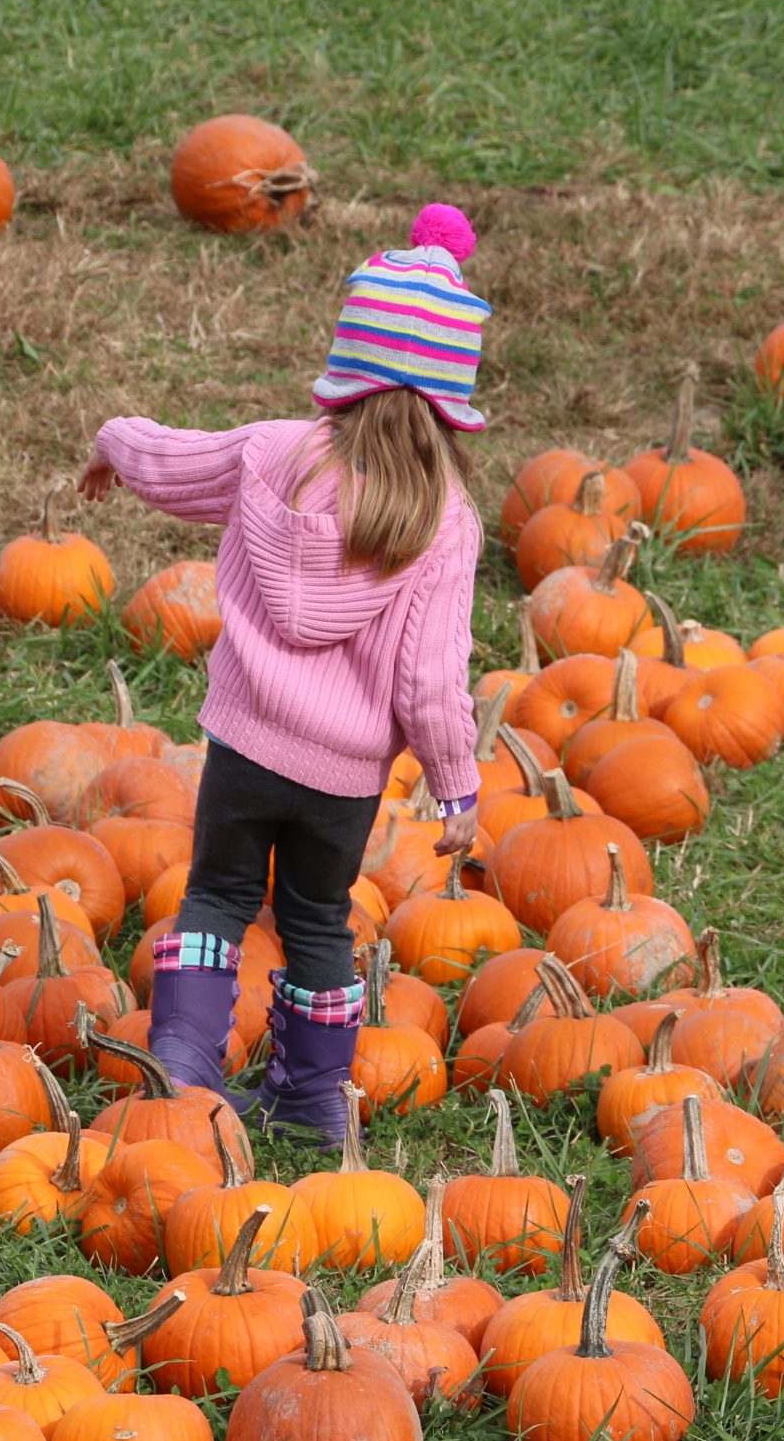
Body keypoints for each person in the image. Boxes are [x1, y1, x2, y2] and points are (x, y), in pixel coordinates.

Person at [77, 203, 489, 1143]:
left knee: (216, 895)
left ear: (348, 364)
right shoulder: (446, 519)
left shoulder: (273, 452)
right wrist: (456, 782)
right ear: (450, 395)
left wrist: (111, 441)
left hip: (248, 744)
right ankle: (310, 1103)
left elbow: (171, 459)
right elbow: (432, 681)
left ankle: (180, 1074)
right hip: (342, 781)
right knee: (318, 923)